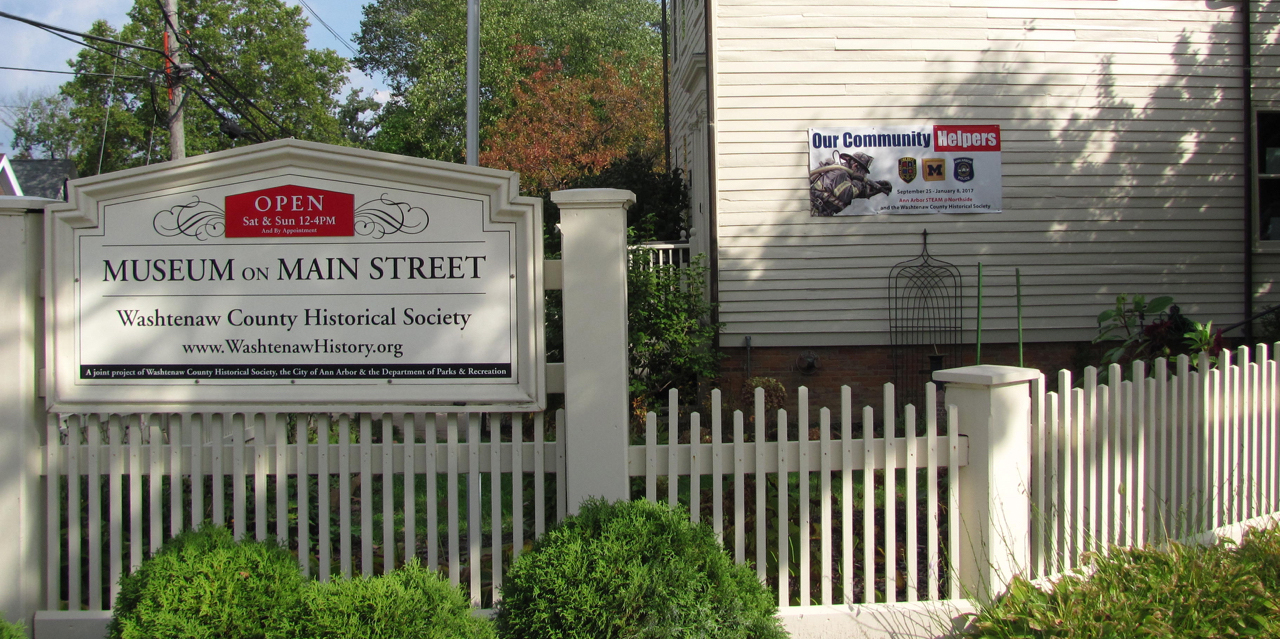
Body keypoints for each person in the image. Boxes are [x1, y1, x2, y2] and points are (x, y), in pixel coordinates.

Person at [809, 151, 893, 216]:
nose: (863, 174)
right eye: (862, 171)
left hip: (821, 212)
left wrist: (877, 186)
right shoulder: (841, 173)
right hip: (814, 211)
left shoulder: (845, 176)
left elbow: (857, 191)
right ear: (855, 166)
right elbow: (847, 194)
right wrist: (858, 179)